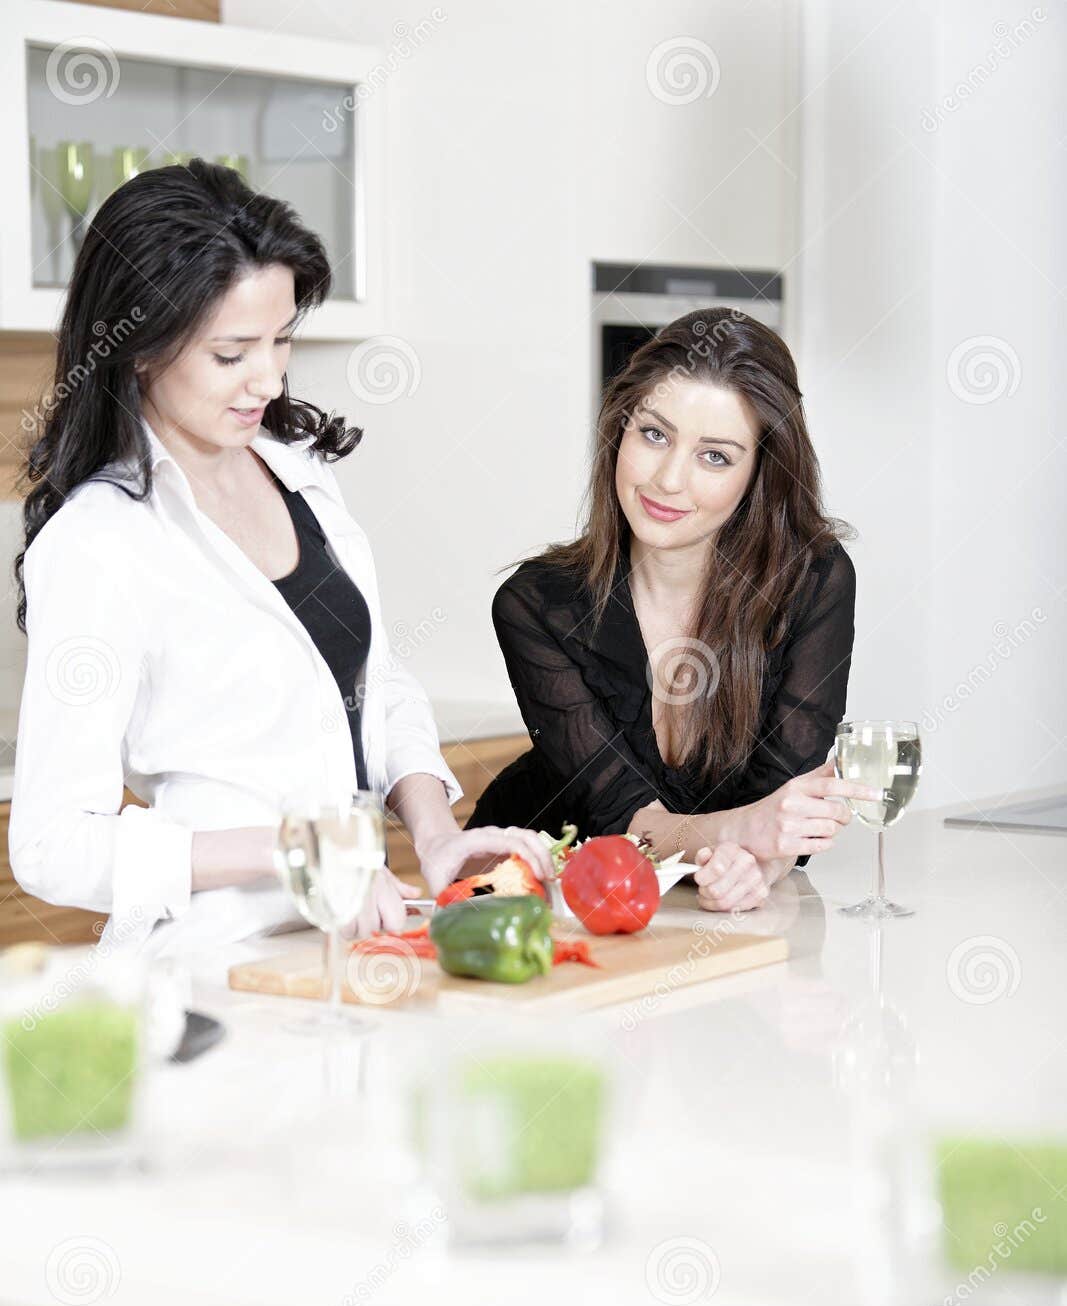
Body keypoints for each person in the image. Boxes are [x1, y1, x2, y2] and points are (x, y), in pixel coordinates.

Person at [9, 160, 553, 961]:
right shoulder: (100, 543)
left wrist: (435, 834)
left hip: (356, 936)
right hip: (215, 963)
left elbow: (373, 680)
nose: (268, 378)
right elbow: (52, 845)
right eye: (232, 354)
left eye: (282, 338)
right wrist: (296, 850)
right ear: (141, 349)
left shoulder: (297, 470)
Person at [467, 307, 880, 912]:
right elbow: (625, 823)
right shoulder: (537, 605)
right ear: (619, 430)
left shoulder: (812, 582)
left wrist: (757, 865)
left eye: (715, 456)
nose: (667, 480)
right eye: (654, 434)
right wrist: (747, 836)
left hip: (680, 913)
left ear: (759, 475)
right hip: (540, 897)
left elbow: (780, 807)